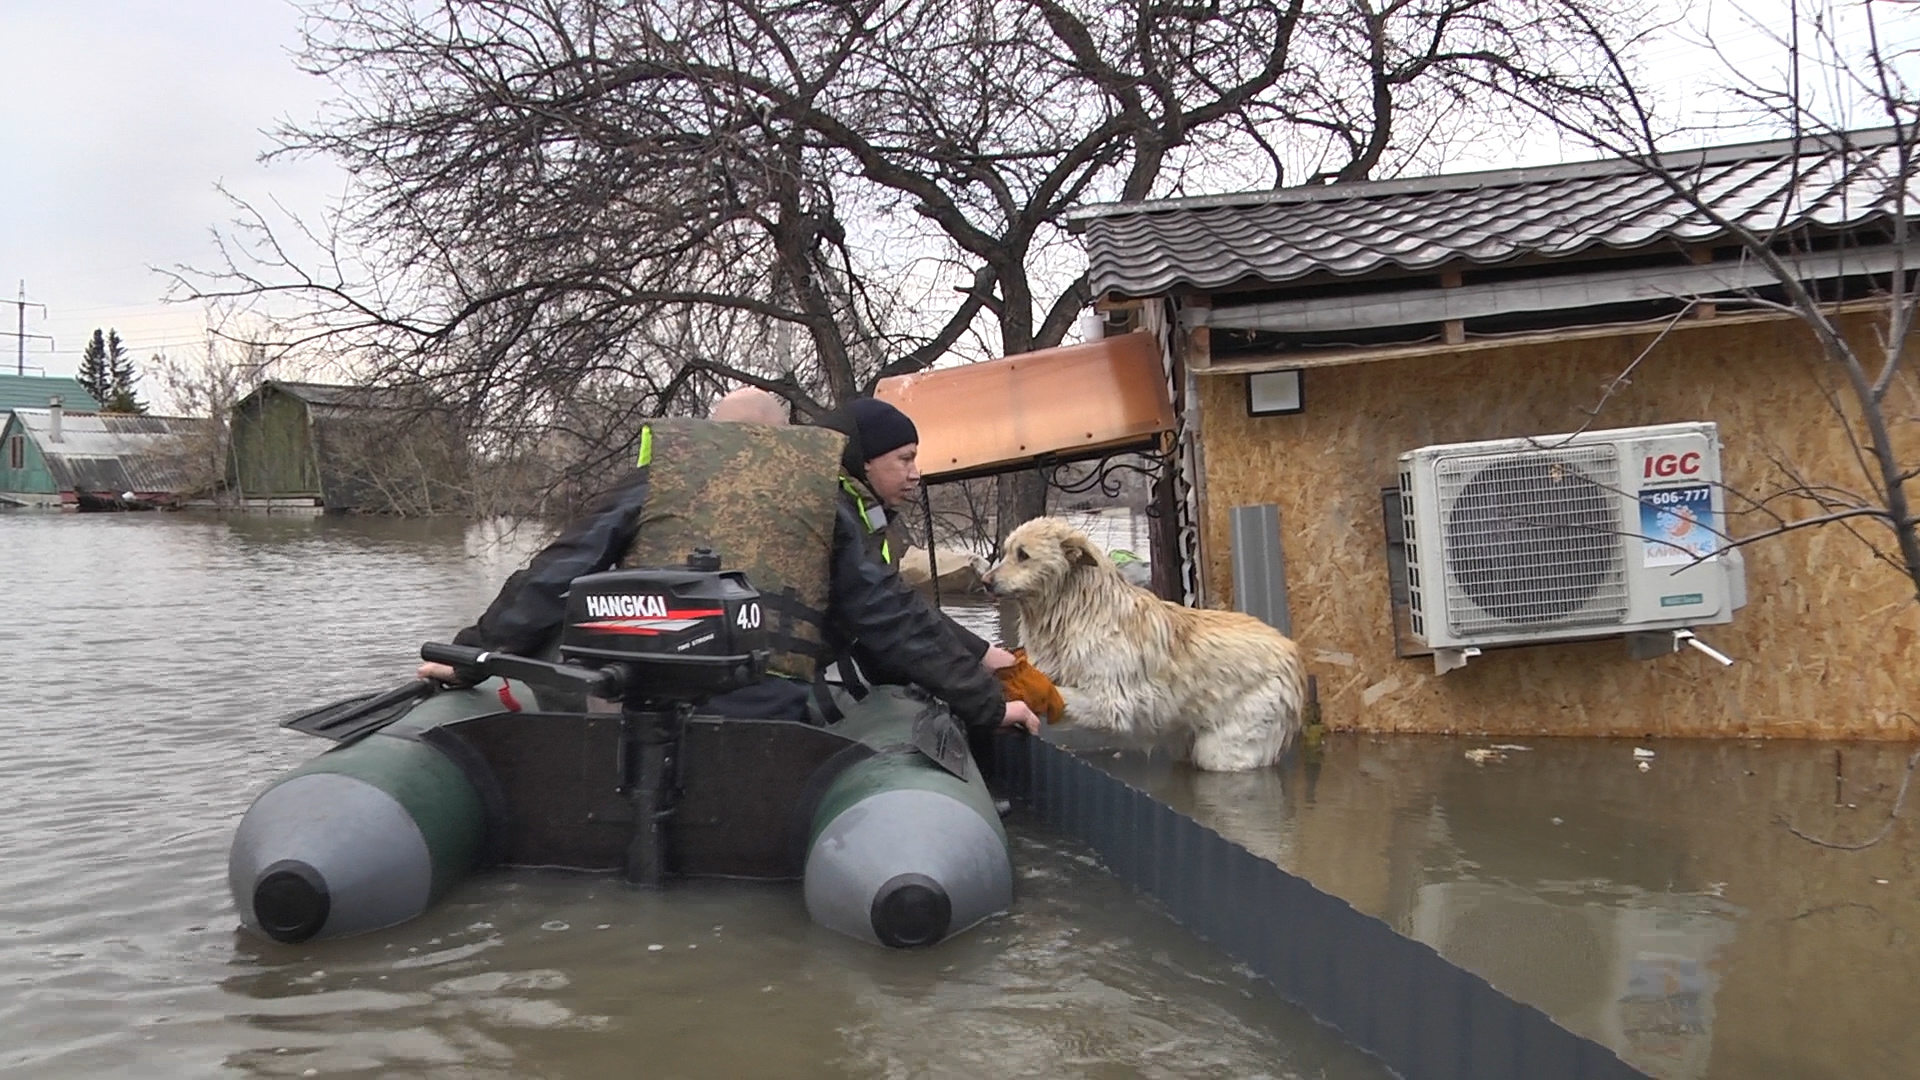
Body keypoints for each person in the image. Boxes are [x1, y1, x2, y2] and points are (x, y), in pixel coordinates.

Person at [418, 388, 1039, 736]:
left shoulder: (654, 477)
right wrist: (984, 705)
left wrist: (470, 656)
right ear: (782, 443)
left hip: (636, 703)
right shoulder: (818, 498)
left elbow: (552, 576)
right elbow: (888, 617)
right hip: (761, 711)